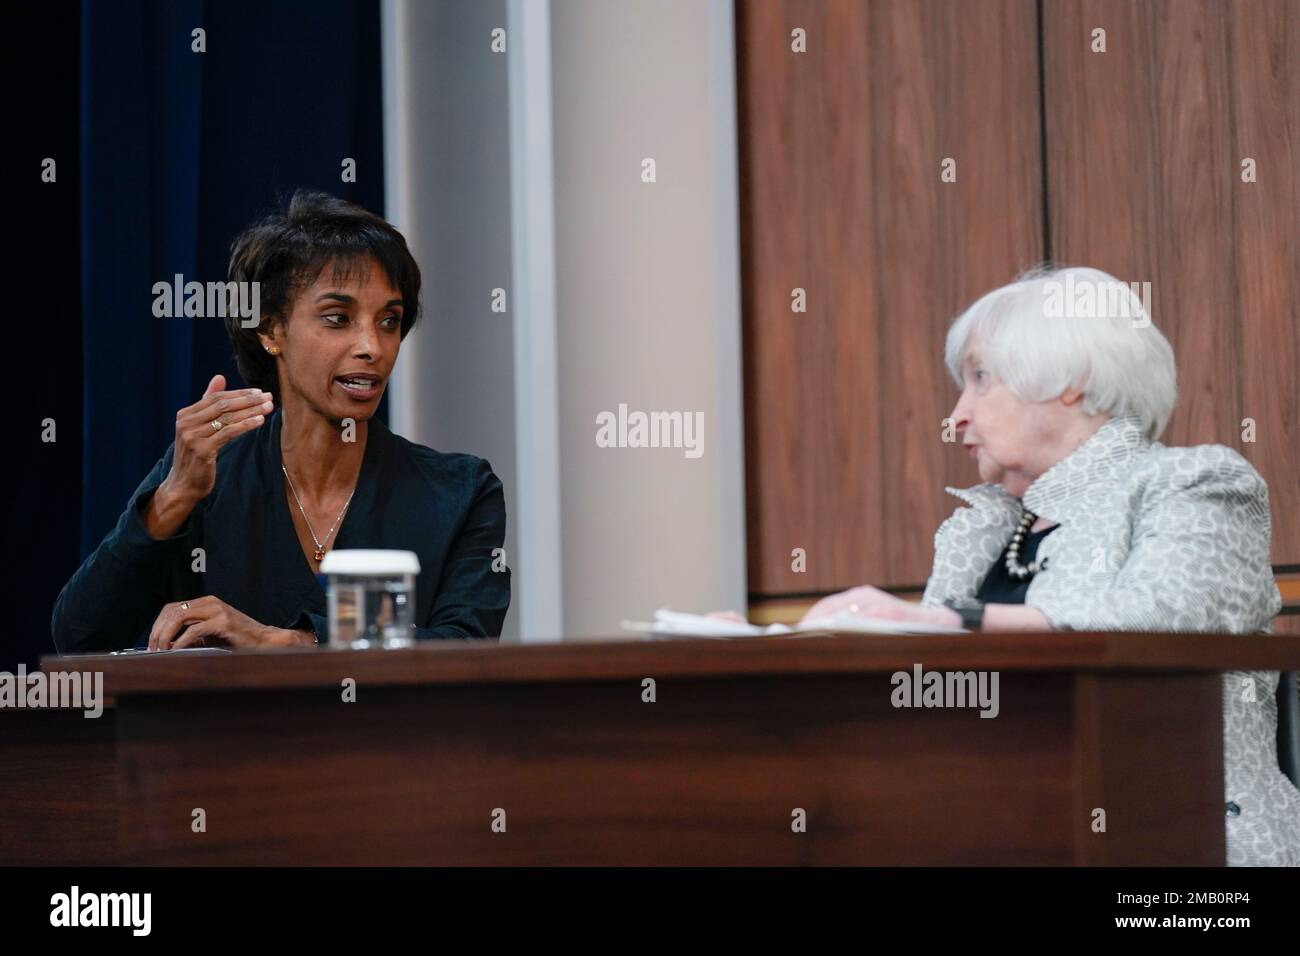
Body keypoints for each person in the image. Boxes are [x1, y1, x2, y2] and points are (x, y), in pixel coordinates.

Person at [794, 266, 1297, 866]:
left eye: (980, 379)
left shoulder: (1197, 482)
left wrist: (954, 625)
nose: (955, 415)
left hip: (1187, 852)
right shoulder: (982, 531)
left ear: (1073, 382)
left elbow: (1159, 624)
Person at [53, 190, 510, 652]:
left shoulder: (460, 491)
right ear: (271, 330)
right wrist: (173, 497)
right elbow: (79, 636)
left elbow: (465, 648)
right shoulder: (207, 475)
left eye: (389, 321)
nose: (372, 346)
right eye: (338, 318)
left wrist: (292, 642)